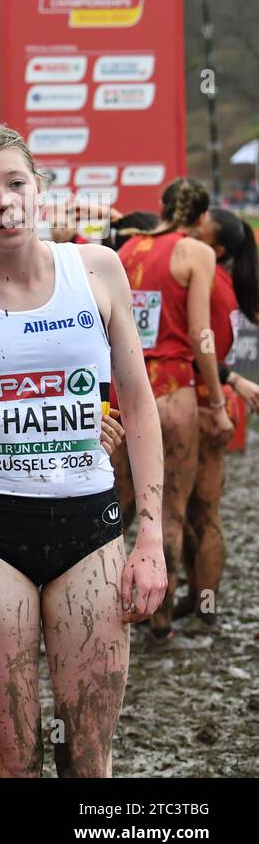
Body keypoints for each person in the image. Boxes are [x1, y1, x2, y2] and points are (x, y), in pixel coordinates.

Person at [0, 122, 166, 777]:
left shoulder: (98, 267)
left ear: (40, 186)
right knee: (15, 755)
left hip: (90, 528)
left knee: (87, 755)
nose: (4, 203)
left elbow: (138, 408)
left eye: (17, 183)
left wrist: (151, 540)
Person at [117, 178, 231, 645]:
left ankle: (108, 606)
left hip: (127, 388)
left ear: (161, 208)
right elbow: (201, 335)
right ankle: (160, 623)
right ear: (202, 219)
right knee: (170, 513)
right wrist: (219, 402)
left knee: (117, 511)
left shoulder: (126, 252)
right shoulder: (195, 252)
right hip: (174, 390)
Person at [178, 208, 259, 625]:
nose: (189, 229)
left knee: (198, 514)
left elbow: (200, 350)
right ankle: (198, 600)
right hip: (212, 399)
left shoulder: (207, 285)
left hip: (203, 401)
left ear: (217, 247)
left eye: (200, 227)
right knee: (196, 513)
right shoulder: (220, 281)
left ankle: (203, 605)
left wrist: (219, 391)